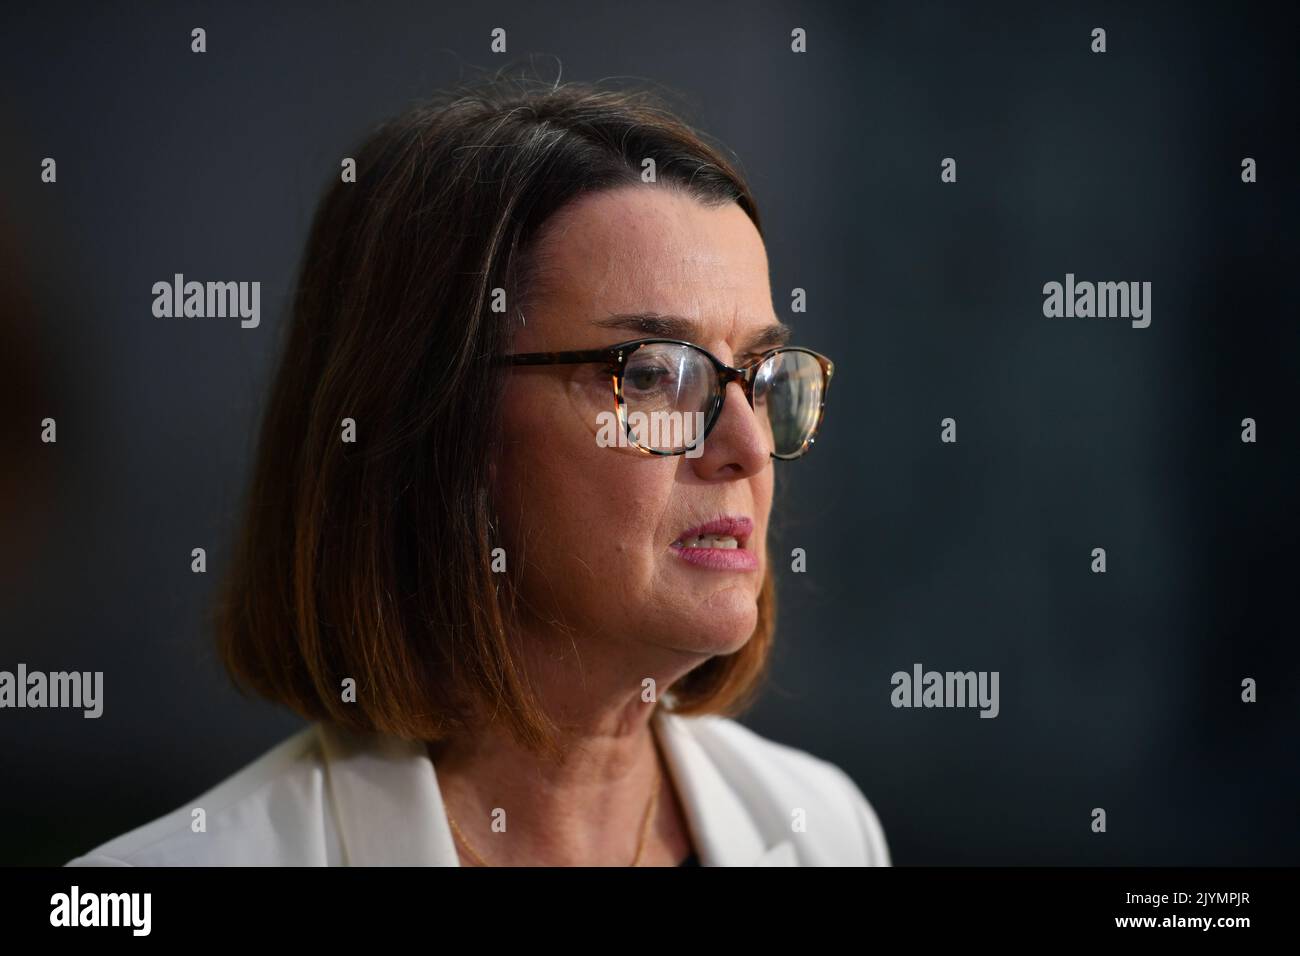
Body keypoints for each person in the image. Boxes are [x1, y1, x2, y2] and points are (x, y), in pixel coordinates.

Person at [66, 70, 889, 867]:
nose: (746, 447)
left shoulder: (825, 829)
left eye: (761, 372)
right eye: (652, 375)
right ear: (440, 424)